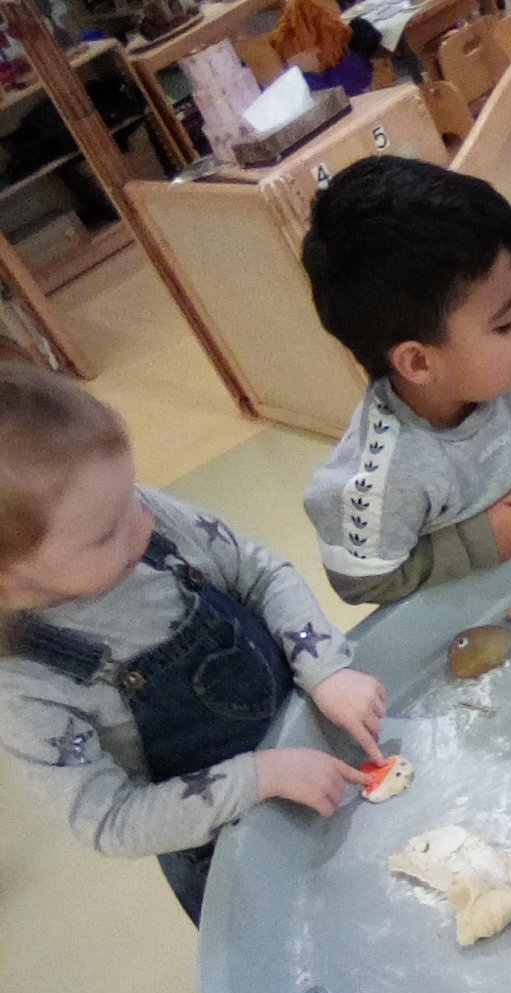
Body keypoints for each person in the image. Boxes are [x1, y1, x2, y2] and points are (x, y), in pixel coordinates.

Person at [0, 365, 387, 926]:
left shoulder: (140, 521)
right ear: (9, 577)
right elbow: (110, 820)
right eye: (107, 532)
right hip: (229, 847)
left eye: (132, 493)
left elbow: (262, 574)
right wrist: (260, 776)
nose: (146, 523)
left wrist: (325, 669)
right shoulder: (28, 687)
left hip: (325, 742)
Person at [302, 156, 511, 604]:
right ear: (419, 363)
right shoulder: (384, 480)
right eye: (505, 322)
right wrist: (474, 541)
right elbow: (361, 581)